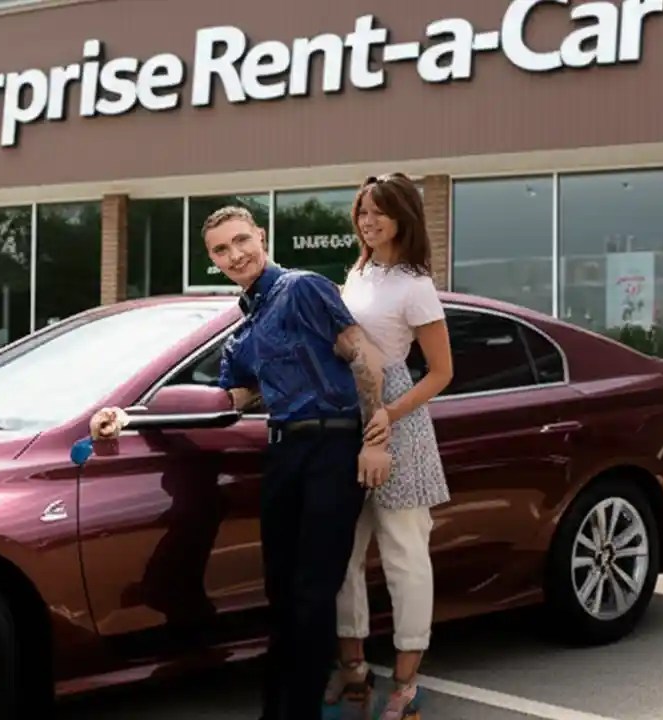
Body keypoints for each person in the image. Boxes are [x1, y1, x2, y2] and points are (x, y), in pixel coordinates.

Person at [89, 205, 393, 720]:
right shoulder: (244, 329)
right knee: (279, 592)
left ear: (262, 237)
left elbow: (363, 354)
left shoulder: (303, 288)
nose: (235, 255)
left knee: (312, 591)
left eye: (240, 241)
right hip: (284, 452)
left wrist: (375, 437)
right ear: (213, 260)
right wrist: (128, 415)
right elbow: (227, 400)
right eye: (221, 250)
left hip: (333, 447)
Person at [322, 174, 453, 720]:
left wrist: (388, 416)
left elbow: (442, 372)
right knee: (345, 555)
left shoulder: (415, 284)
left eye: (379, 212)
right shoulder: (357, 272)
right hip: (347, 415)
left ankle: (405, 682)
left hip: (398, 419)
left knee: (404, 557)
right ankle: (353, 670)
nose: (368, 221)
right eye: (362, 212)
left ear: (404, 218)